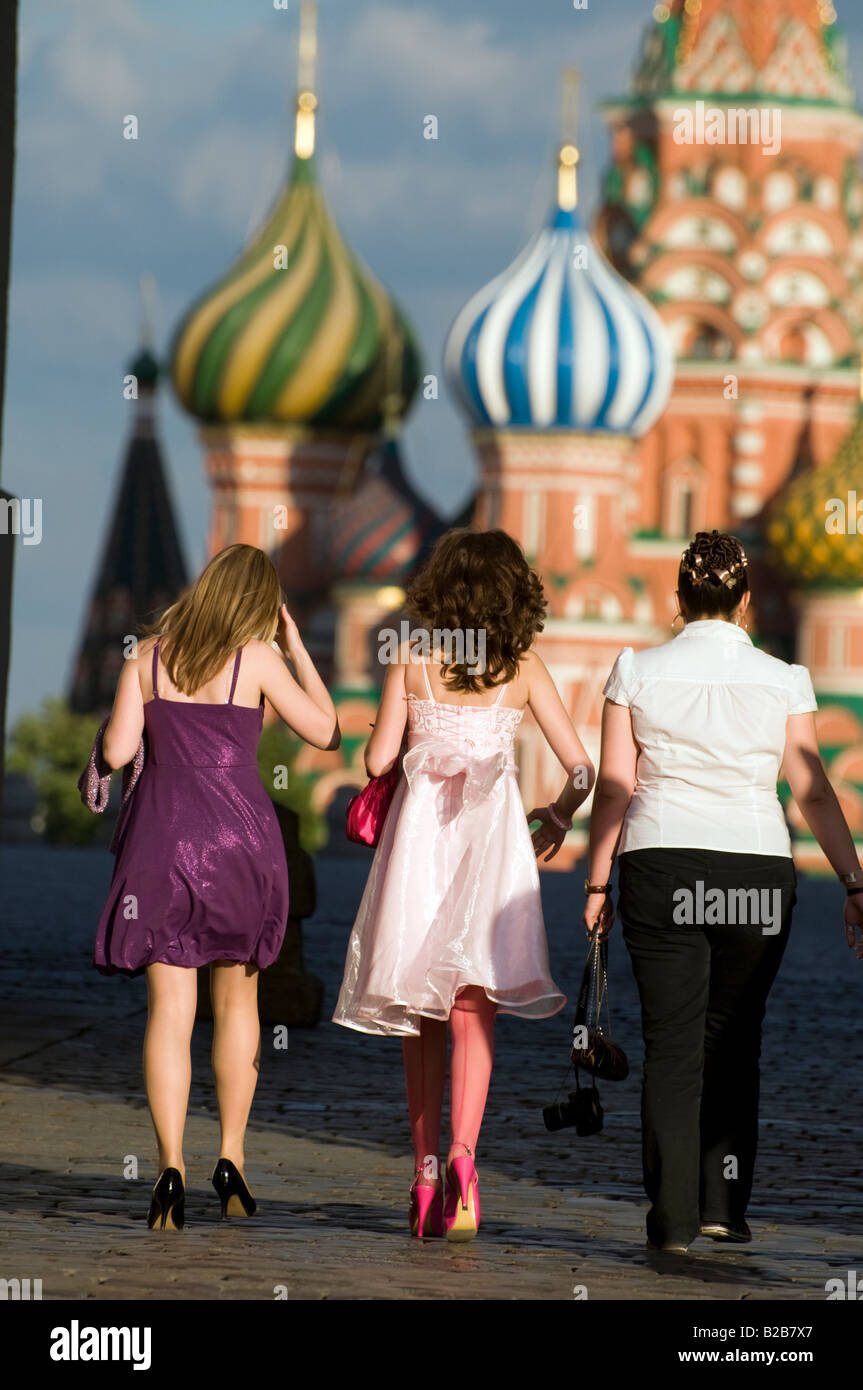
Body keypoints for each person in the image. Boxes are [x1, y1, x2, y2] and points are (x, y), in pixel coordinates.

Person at [585, 529, 863, 1254]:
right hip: (755, 868)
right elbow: (812, 790)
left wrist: (593, 881)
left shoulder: (635, 670)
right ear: (743, 603)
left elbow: (615, 785)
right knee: (735, 1041)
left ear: (679, 600)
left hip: (661, 864)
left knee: (671, 1048)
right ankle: (722, 1206)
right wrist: (853, 880)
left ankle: (671, 1222)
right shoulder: (783, 680)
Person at [333, 528, 594, 1240]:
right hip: (493, 841)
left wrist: (386, 740)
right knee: (474, 1000)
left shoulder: (412, 665)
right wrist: (559, 816)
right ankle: (464, 1158)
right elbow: (580, 768)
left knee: (419, 1006)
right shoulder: (525, 669)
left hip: (422, 846)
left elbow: (377, 758)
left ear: (440, 591)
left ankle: (422, 1175)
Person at [93, 543, 339, 1231]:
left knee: (169, 1012)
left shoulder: (145, 657)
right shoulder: (256, 660)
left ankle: (168, 1166)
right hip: (240, 843)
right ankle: (230, 1156)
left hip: (160, 844)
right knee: (238, 1007)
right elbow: (326, 732)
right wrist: (293, 647)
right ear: (261, 606)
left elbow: (114, 753)